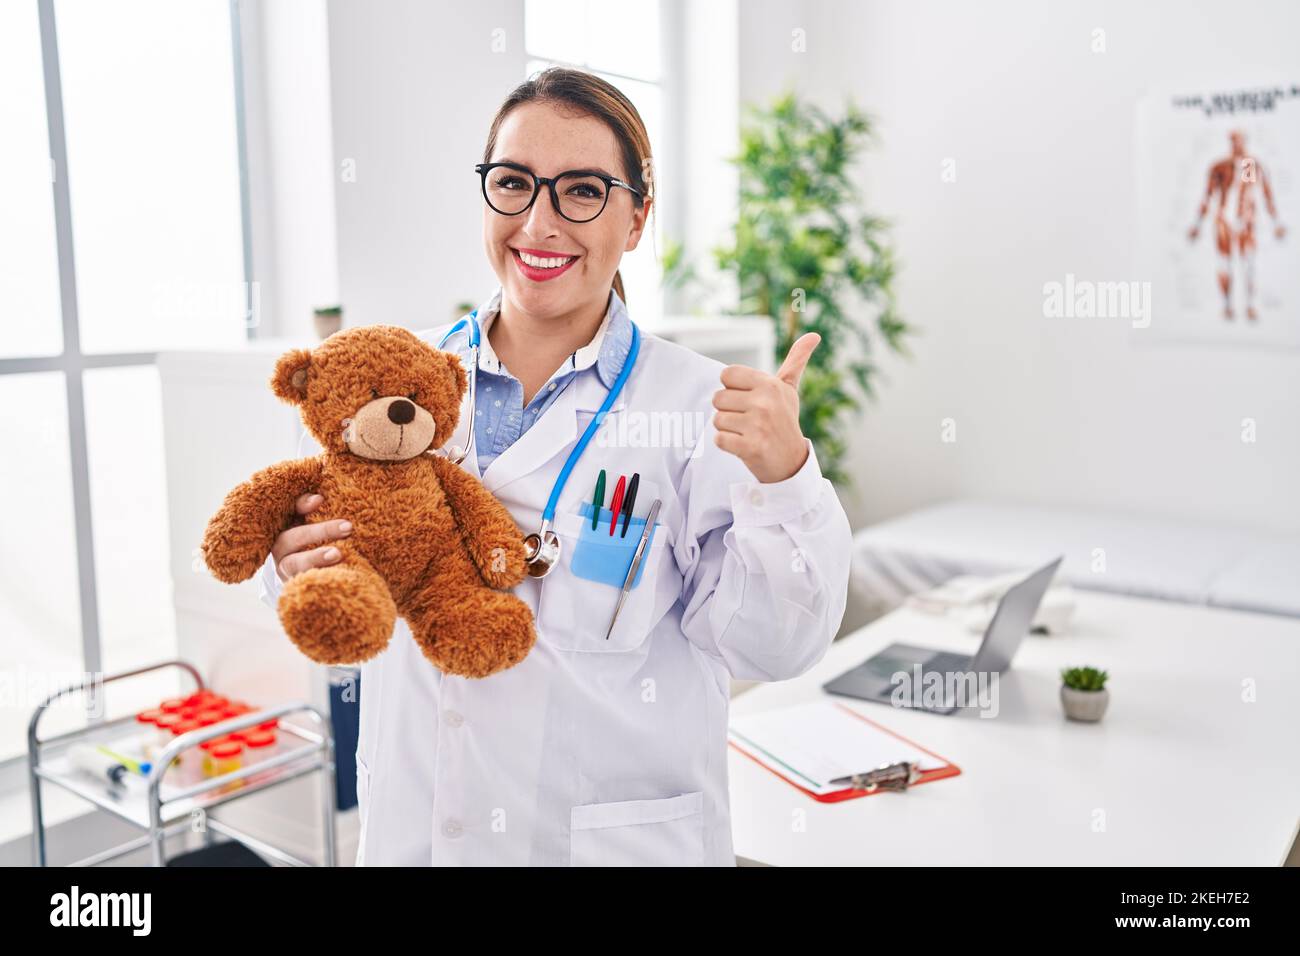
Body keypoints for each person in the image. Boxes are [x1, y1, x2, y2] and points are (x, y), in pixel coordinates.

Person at [257, 67, 852, 865]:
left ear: (637, 218)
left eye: (582, 191)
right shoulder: (387, 377)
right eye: (514, 184)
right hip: (420, 833)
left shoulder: (704, 408)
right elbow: (312, 567)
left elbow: (775, 648)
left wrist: (787, 480)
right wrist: (291, 567)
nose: (539, 223)